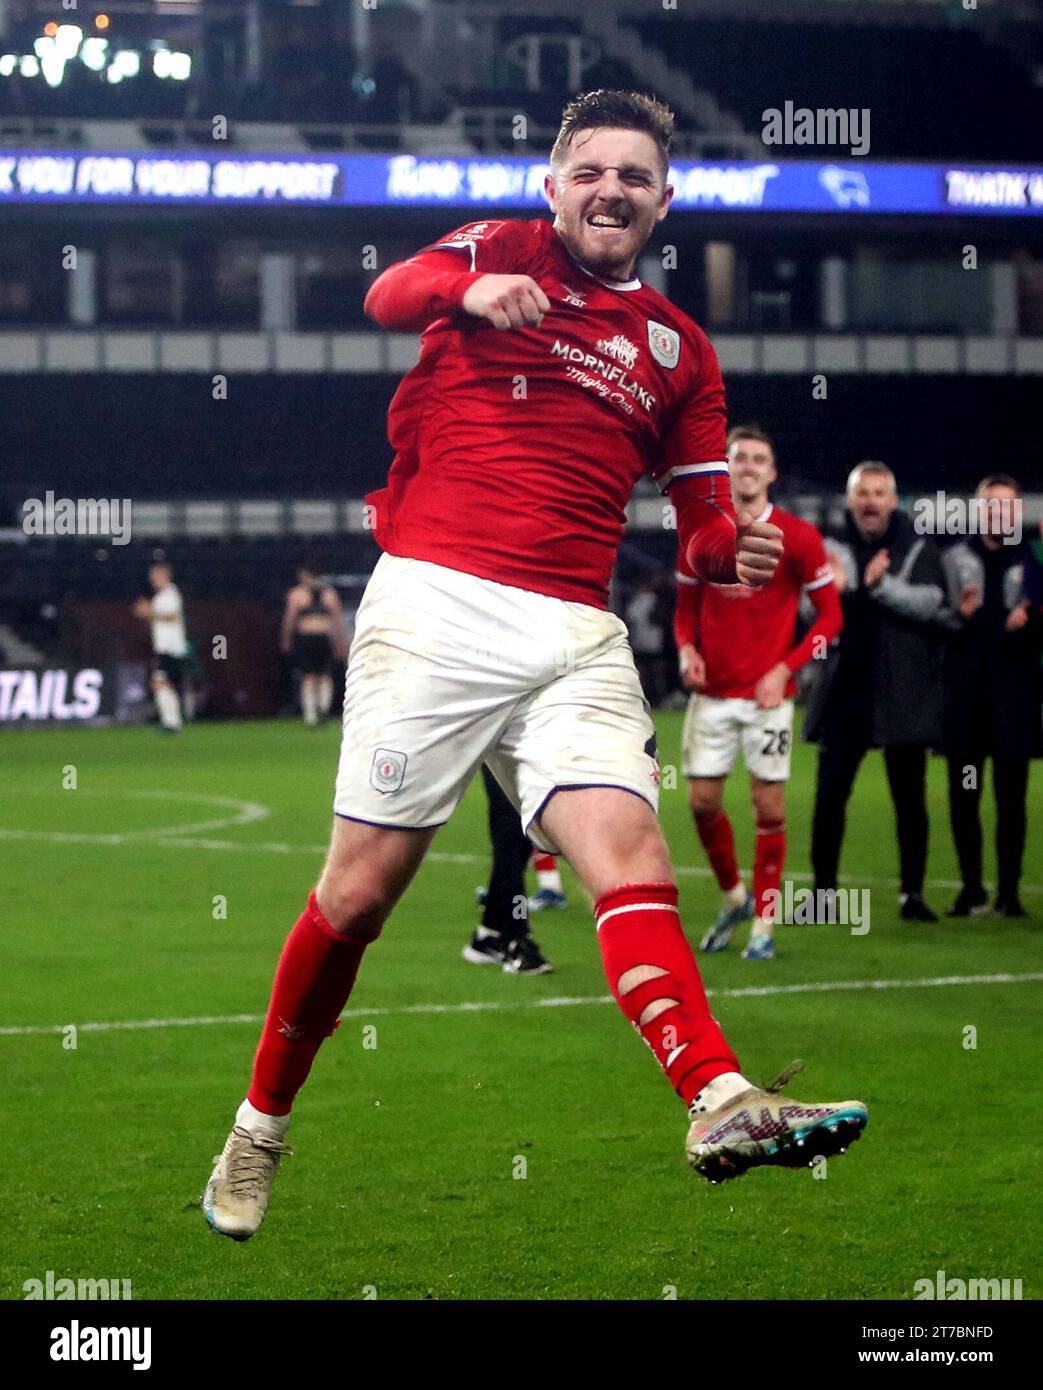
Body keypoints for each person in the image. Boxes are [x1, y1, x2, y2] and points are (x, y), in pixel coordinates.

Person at [203, 90, 867, 1242]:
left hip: (573, 629)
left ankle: (717, 1098)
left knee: (629, 851)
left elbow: (701, 522)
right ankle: (258, 1128)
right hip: (439, 603)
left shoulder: (680, 350)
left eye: (635, 175)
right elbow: (384, 293)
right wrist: (464, 288)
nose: (610, 189)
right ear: (553, 185)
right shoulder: (504, 250)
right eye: (590, 170)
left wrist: (727, 549)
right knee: (360, 892)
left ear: (665, 200)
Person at [675, 425, 842, 960]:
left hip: (769, 699)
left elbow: (831, 617)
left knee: (768, 808)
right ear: (725, 467)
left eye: (758, 459)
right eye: (738, 457)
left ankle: (765, 925)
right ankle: (734, 898)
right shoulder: (701, 534)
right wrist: (686, 649)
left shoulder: (797, 535)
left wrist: (785, 668)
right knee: (701, 804)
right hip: (714, 695)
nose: (747, 466)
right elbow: (683, 609)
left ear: (771, 472)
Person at [805, 462, 947, 920]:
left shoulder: (920, 547)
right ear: (851, 500)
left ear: (893, 499)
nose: (870, 501)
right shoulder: (827, 548)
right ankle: (824, 895)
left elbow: (932, 604)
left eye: (879, 493)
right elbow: (807, 612)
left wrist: (880, 587)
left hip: (903, 689)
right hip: (846, 690)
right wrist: (834, 593)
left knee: (910, 796)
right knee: (830, 795)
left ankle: (913, 895)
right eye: (862, 493)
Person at [940, 475, 1042, 918]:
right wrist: (956, 616)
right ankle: (970, 888)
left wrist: (1031, 618)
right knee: (965, 795)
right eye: (990, 505)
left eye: (1006, 506)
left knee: (1011, 800)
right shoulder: (953, 559)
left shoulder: (1034, 561)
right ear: (977, 511)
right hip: (966, 701)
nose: (998, 513)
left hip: (1015, 701)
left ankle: (1008, 893)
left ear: (1018, 513)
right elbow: (934, 618)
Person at [463, 766, 554, 974]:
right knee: (511, 841)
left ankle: (489, 934)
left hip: (528, 751)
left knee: (519, 845)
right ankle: (518, 935)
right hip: (501, 750)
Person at [280, 566, 347, 727]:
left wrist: (340, 641)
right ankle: (311, 715)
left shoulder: (328, 594)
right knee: (309, 676)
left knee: (324, 676)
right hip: (306, 639)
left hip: (323, 638)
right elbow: (290, 620)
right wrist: (287, 638)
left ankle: (322, 710)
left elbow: (337, 620)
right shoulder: (297, 595)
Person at [133, 562, 188, 733]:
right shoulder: (161, 596)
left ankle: (171, 722)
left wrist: (149, 612)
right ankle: (172, 721)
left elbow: (172, 617)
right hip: (164, 647)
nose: (152, 579)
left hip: (171, 647)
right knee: (162, 684)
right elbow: (158, 619)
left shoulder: (170, 594)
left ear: (165, 575)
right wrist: (147, 613)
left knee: (159, 683)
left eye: (155, 575)